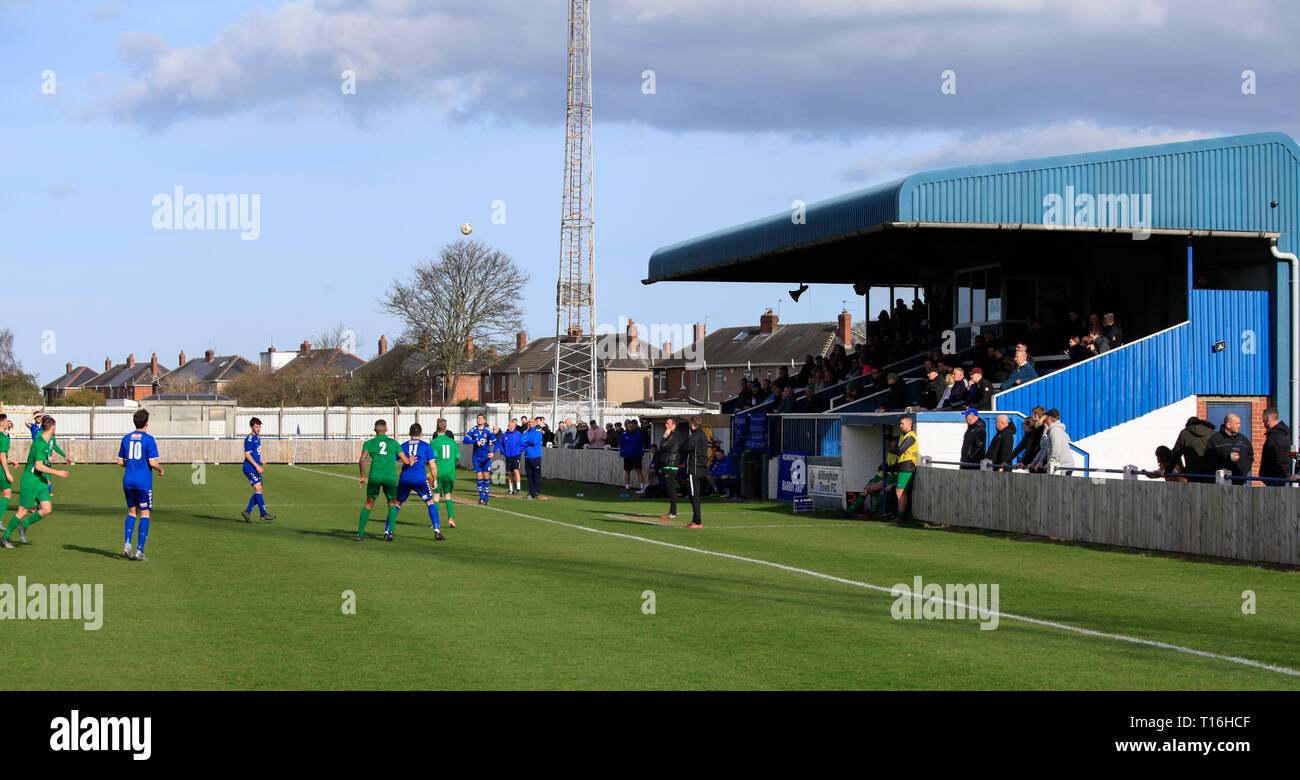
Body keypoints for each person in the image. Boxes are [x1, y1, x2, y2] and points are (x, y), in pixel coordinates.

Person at [2, 415, 70, 548]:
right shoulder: (40, 442)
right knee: (22, 511)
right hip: (30, 480)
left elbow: (42, 459)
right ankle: (5, 537)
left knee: (47, 509)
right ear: (53, 428)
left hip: (40, 480)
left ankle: (23, 525)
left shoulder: (46, 440)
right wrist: (57, 472)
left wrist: (47, 465)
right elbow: (38, 466)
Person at [117, 409, 164, 561]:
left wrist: (132, 464)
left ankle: (127, 542)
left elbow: (119, 461)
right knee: (144, 513)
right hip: (143, 482)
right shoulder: (149, 439)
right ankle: (140, 550)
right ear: (147, 423)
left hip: (128, 480)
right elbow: (152, 462)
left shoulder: (126, 438)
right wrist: (161, 469)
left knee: (132, 512)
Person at [355, 419, 409, 541]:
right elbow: (405, 460)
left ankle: (360, 534)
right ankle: (391, 533)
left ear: (374, 430)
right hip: (390, 477)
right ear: (386, 429)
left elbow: (362, 459)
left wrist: (362, 476)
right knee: (392, 502)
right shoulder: (393, 443)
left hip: (375, 476)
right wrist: (410, 461)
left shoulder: (369, 443)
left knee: (369, 503)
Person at [393, 423, 445, 541]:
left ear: (409, 433)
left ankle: (388, 530)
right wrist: (435, 480)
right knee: (430, 502)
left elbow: (393, 461)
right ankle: (437, 530)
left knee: (397, 503)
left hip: (405, 478)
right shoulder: (426, 446)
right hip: (420, 479)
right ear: (421, 434)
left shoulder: (403, 446)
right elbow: (433, 466)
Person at [846, 435, 897, 517]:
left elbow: (894, 467)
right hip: (881, 476)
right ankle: (849, 511)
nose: (885, 443)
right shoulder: (889, 452)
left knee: (875, 490)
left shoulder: (898, 453)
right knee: (867, 490)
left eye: (887, 441)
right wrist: (884, 466)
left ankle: (873, 512)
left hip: (889, 477)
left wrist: (887, 468)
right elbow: (885, 466)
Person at [241, 417, 276, 522]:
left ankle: (247, 512)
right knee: (258, 489)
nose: (258, 429)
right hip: (249, 468)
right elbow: (247, 455)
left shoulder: (258, 438)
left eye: (259, 426)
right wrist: (257, 466)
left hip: (255, 467)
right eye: (256, 427)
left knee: (260, 490)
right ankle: (263, 514)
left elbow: (255, 453)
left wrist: (260, 461)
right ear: (251, 427)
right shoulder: (249, 439)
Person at [1205, 413, 1253, 485]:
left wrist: (1245, 470)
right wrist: (1227, 456)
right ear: (1228, 425)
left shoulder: (1243, 439)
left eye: (1239, 423)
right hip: (1221, 482)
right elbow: (1209, 458)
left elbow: (1250, 455)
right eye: (1237, 424)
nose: (1239, 426)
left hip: (1239, 480)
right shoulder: (1215, 439)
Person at [887, 416, 918, 521]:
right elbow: (897, 449)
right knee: (899, 491)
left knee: (900, 491)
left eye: (902, 424)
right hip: (903, 465)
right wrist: (897, 449)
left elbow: (899, 450)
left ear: (909, 424)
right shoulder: (903, 436)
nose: (900, 426)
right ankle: (898, 514)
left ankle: (900, 516)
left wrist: (897, 450)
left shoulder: (911, 436)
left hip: (907, 465)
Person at [430, 419, 460, 526]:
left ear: (436, 428)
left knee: (436, 497)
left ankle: (435, 522)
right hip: (450, 473)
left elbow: (433, 456)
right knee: (448, 496)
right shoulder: (452, 442)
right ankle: (451, 519)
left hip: (438, 473)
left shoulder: (434, 442)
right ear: (445, 429)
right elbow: (457, 456)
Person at [681, 416, 709, 528]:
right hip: (702, 468)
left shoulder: (694, 436)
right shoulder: (703, 435)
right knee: (695, 495)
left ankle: (697, 521)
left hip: (694, 469)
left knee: (694, 495)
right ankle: (695, 519)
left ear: (693, 425)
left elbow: (684, 448)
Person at [463, 413, 497, 505]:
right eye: (478, 418)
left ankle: (486, 498)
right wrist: (475, 441)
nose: (480, 419)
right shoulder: (473, 430)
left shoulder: (488, 431)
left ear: (484, 420)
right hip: (476, 457)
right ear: (476, 420)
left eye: (481, 418)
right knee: (479, 476)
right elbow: (465, 440)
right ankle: (481, 498)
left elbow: (496, 443)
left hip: (486, 457)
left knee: (486, 476)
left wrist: (493, 453)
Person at [1029, 409, 1076, 474]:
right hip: (1063, 465)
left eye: (1046, 417)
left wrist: (1051, 463)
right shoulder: (1056, 430)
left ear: (1049, 418)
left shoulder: (1054, 431)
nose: (1044, 419)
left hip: (1063, 466)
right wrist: (1041, 462)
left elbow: (1056, 448)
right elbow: (1047, 448)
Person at [1171, 416, 1216, 483]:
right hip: (1210, 475)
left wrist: (1168, 470)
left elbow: (1176, 453)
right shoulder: (1213, 433)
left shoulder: (1184, 433)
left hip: (1192, 474)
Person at [658, 418, 686, 521]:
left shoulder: (674, 435)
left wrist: (665, 436)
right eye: (666, 423)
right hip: (669, 464)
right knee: (670, 488)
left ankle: (673, 512)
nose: (666, 425)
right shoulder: (674, 435)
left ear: (674, 426)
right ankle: (672, 512)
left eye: (668, 424)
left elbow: (662, 446)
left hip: (671, 464)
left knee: (671, 488)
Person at [1259, 407, 1294, 485]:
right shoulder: (1277, 434)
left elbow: (1282, 459)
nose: (1262, 421)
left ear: (1267, 418)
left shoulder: (1277, 436)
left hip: (1276, 479)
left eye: (1263, 418)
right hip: (1274, 478)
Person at [497, 419, 525, 495]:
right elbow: (500, 443)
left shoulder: (518, 434)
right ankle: (511, 489)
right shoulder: (504, 435)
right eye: (509, 426)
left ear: (515, 426)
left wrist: (520, 450)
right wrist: (503, 451)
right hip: (508, 455)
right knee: (510, 472)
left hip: (516, 455)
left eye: (512, 426)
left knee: (516, 470)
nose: (511, 427)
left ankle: (518, 489)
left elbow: (523, 443)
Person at [521, 417, 546, 499]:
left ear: (535, 423)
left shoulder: (538, 432)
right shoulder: (525, 432)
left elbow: (534, 442)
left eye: (532, 422)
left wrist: (526, 441)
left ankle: (537, 492)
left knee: (536, 475)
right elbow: (521, 442)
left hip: (536, 456)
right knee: (529, 476)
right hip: (527, 456)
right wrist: (527, 442)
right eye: (529, 422)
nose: (530, 423)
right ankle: (531, 492)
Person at [619, 419, 647, 493]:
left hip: (637, 456)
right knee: (627, 471)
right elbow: (620, 445)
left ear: (634, 427)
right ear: (627, 427)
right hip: (627, 456)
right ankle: (627, 488)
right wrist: (622, 454)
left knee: (639, 471)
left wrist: (642, 452)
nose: (630, 427)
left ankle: (642, 487)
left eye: (632, 426)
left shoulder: (638, 435)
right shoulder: (624, 435)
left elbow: (642, 444)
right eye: (629, 426)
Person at [0, 415, 16, 537]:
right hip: (1, 470)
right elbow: (1, 455)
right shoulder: (4, 438)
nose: (8, 423)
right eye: (6, 421)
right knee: (7, 493)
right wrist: (7, 473)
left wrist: (9, 460)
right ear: (3, 423)